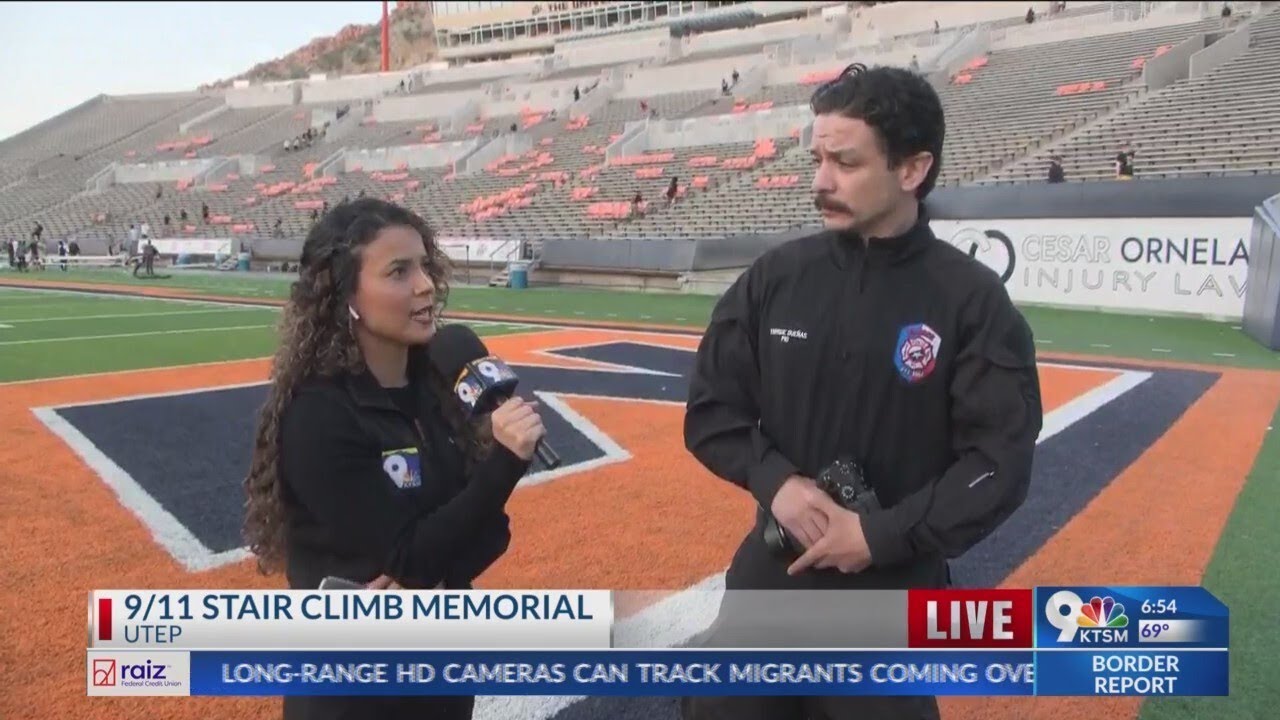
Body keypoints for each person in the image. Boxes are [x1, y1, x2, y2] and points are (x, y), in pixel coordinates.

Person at [682, 63, 1043, 720]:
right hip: (772, 576)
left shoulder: (971, 303)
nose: (821, 181)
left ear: (911, 170)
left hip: (891, 599)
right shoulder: (775, 278)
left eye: (844, 162)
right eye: (817, 158)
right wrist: (778, 483)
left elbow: (999, 461)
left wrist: (879, 536)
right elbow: (712, 410)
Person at [241, 198, 544, 720]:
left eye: (425, 265)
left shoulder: (438, 385)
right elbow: (423, 550)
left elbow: (489, 535)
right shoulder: (320, 415)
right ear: (346, 296)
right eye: (399, 271)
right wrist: (504, 466)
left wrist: (426, 571)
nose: (425, 284)